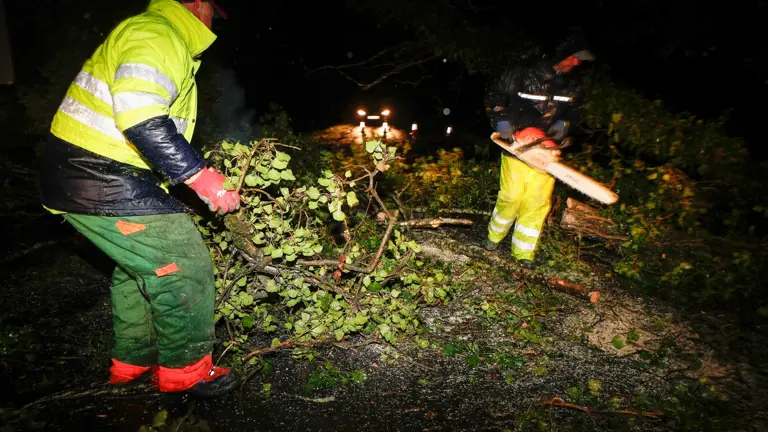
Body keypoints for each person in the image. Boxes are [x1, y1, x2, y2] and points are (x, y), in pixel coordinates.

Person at [39, 0, 240, 397]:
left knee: (140, 267)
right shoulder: (158, 33)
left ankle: (133, 361)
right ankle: (187, 371)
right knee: (183, 262)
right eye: (213, 12)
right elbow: (140, 115)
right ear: (198, 4)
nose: (213, 22)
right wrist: (199, 176)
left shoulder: (159, 36)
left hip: (86, 173)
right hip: (101, 173)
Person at [483, 28, 595, 268]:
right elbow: (494, 96)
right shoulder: (522, 72)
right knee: (512, 197)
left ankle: (524, 252)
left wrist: (557, 133)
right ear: (559, 53)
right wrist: (505, 126)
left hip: (547, 154)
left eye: (579, 59)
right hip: (516, 148)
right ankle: (493, 237)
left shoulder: (573, 84)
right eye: (573, 56)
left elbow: (573, 112)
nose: (576, 63)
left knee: (537, 202)